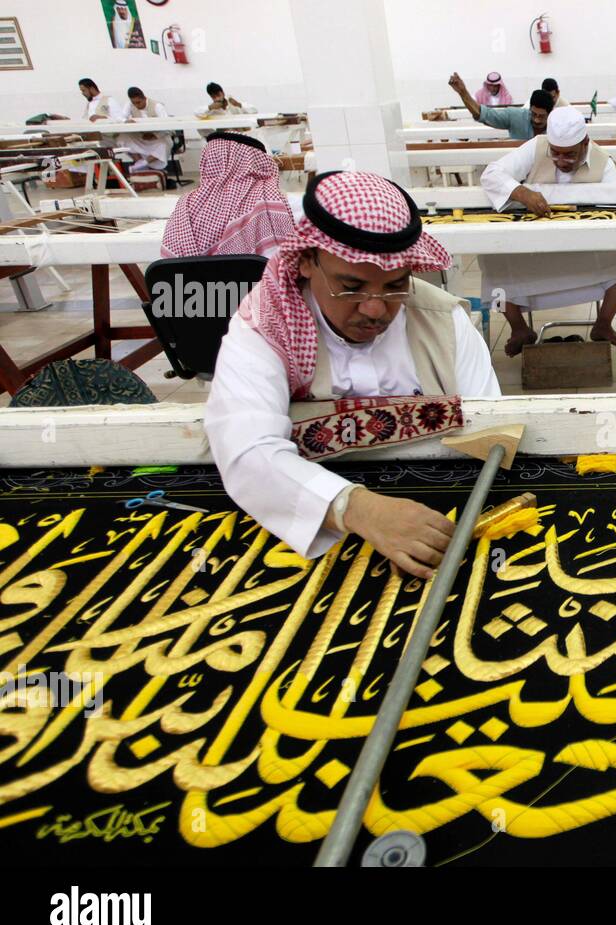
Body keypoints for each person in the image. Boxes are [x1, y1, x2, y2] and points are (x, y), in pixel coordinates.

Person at [206, 171, 500, 572]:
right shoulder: (265, 326)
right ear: (307, 261)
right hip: (308, 527)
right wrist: (359, 509)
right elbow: (248, 451)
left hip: (438, 520)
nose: (375, 308)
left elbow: (490, 426)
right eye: (351, 286)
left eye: (395, 286)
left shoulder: (443, 321)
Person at [479, 106, 616, 355]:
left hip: (582, 245)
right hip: (531, 243)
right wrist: (522, 192)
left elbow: (612, 209)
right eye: (556, 154)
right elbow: (491, 174)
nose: (562, 162)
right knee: (491, 261)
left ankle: (603, 324)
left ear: (585, 143)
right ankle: (519, 328)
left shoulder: (603, 162)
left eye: (570, 155)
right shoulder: (536, 146)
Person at [160, 131, 296, 258]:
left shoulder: (185, 204)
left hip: (190, 282)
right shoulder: (271, 199)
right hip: (253, 282)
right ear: (255, 161)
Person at [447, 74, 552, 140]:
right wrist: (463, 93)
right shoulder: (516, 117)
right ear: (529, 109)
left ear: (550, 113)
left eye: (542, 116)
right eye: (534, 114)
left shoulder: (558, 123)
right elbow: (483, 114)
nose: (537, 120)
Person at [118, 86, 171, 173]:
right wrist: (126, 121)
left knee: (165, 143)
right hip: (141, 136)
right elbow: (120, 118)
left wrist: (155, 135)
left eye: (138, 102)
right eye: (134, 103)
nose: (136, 105)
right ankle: (139, 163)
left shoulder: (157, 106)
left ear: (144, 98)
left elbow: (168, 127)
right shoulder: (130, 104)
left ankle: (144, 163)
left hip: (156, 138)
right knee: (122, 138)